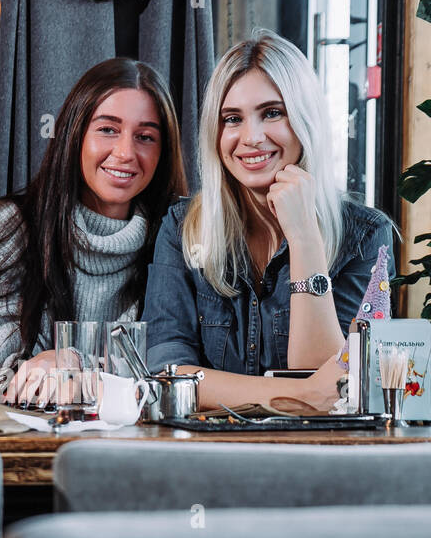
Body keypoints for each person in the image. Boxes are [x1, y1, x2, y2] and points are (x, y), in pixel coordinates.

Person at [144, 29, 396, 411]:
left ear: (303, 119)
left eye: (272, 113)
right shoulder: (182, 228)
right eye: (232, 119)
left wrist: (304, 237)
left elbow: (334, 388)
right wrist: (299, 395)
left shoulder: (365, 235)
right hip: (204, 457)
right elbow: (166, 373)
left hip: (314, 460)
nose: (251, 137)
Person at [0, 57, 187, 406]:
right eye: (108, 129)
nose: (126, 152)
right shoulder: (12, 225)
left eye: (145, 137)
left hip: (143, 444)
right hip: (31, 441)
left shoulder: (176, 238)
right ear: (74, 133)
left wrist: (70, 363)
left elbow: (171, 369)